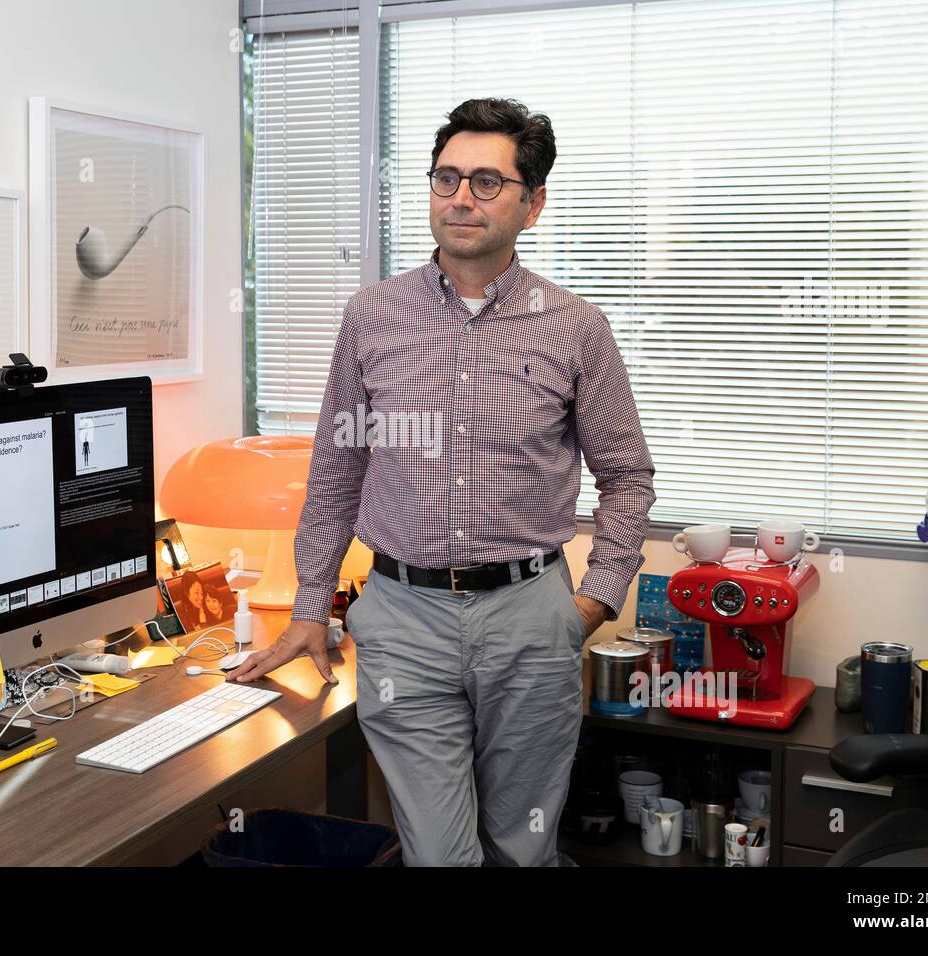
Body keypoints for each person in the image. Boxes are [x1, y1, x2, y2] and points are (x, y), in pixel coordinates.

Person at [229, 98, 655, 867]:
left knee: (522, 848)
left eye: (488, 181)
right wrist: (307, 606)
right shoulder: (371, 316)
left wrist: (592, 601)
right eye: (447, 177)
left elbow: (626, 477)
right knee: (441, 856)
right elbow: (336, 472)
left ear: (534, 203)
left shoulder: (576, 327)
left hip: (530, 618)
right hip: (401, 621)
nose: (461, 197)